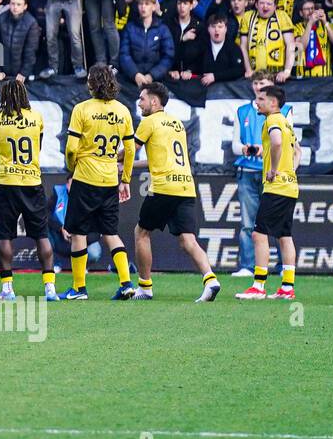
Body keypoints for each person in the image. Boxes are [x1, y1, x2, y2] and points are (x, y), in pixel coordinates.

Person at [131, 81, 222, 302]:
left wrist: (106, 159)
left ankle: (145, 287)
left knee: (141, 233)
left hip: (164, 187)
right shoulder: (176, 123)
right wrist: (131, 165)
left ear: (154, 101)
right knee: (187, 240)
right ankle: (210, 280)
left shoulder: (149, 121)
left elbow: (130, 150)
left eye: (142, 98)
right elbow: (159, 159)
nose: (139, 102)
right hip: (185, 186)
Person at [60, 64, 135, 301]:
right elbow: (130, 150)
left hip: (85, 178)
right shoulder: (122, 110)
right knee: (110, 232)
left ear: (92, 83)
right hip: (109, 178)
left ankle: (79, 288)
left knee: (77, 231)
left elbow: (71, 148)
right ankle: (126, 283)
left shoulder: (82, 109)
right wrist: (125, 179)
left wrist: (73, 167)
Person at [0, 79, 56, 301]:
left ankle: (7, 289)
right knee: (42, 235)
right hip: (32, 182)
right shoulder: (36, 117)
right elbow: (39, 144)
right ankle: (50, 289)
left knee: (5, 237)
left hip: (6, 182)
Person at [236, 84, 300, 301]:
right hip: (290, 185)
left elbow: (276, 142)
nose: (257, 102)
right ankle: (287, 287)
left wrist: (273, 169)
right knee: (284, 235)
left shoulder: (272, 120)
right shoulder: (287, 123)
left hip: (277, 186)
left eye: (262, 99)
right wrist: (290, 170)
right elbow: (297, 151)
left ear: (273, 103)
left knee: (258, 233)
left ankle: (258, 286)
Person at [231, 71, 290, 279]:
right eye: (255, 83)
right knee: (248, 223)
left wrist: (276, 165)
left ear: (272, 85)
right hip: (247, 171)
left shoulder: (284, 111)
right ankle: (248, 266)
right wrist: (245, 148)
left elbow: (287, 142)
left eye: (262, 83)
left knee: (278, 224)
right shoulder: (242, 110)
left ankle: (282, 266)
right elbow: (234, 144)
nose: (258, 86)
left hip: (272, 175)